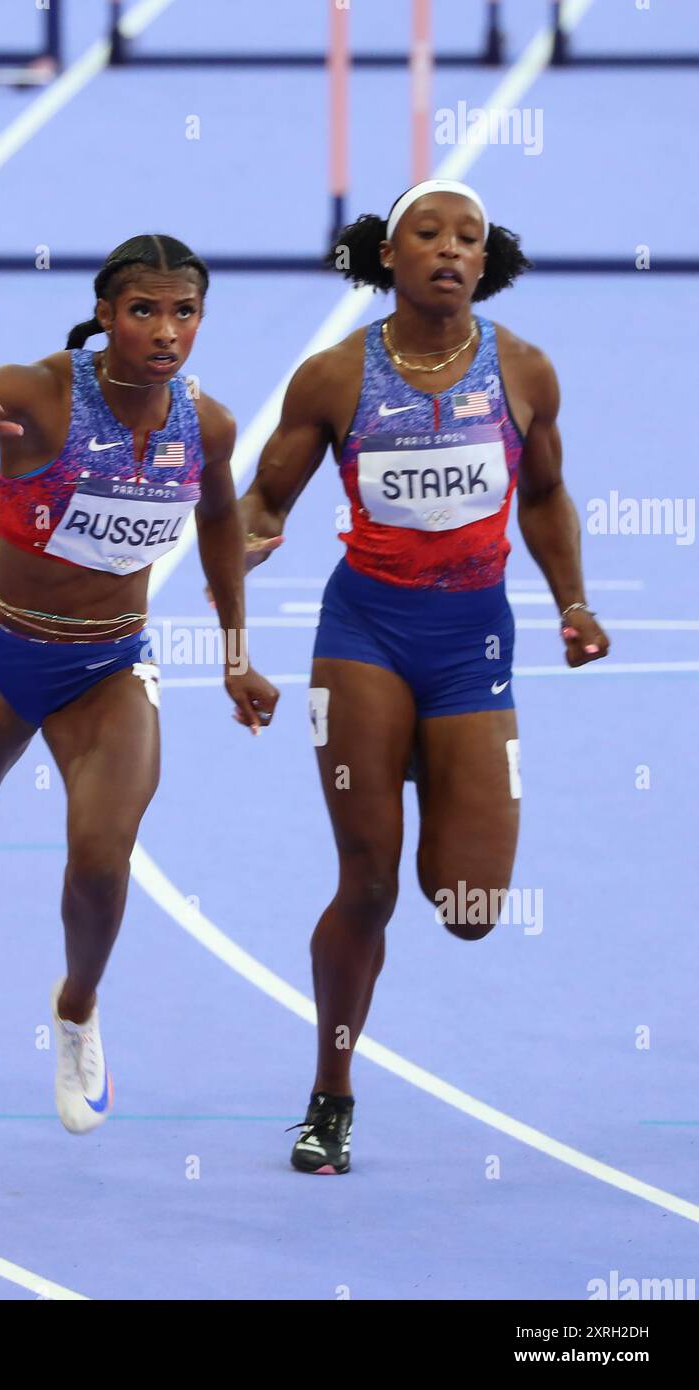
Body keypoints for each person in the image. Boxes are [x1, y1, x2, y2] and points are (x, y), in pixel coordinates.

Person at [0, 234, 278, 1134]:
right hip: (0, 656)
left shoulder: (210, 425)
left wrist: (236, 651)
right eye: (144, 311)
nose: (166, 331)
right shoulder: (37, 392)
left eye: (185, 312)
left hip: (110, 668)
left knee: (99, 858)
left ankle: (77, 1011)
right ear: (107, 315)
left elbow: (217, 524)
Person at [236, 180, 610, 1174]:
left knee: (469, 908)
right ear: (385, 256)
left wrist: (570, 602)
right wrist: (233, 544)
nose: (449, 249)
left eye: (468, 239)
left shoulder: (523, 372)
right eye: (427, 234)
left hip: (472, 647)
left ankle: (422, 762)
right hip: (365, 635)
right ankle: (329, 1093)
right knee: (367, 882)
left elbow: (542, 496)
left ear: (483, 262)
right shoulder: (332, 378)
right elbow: (262, 502)